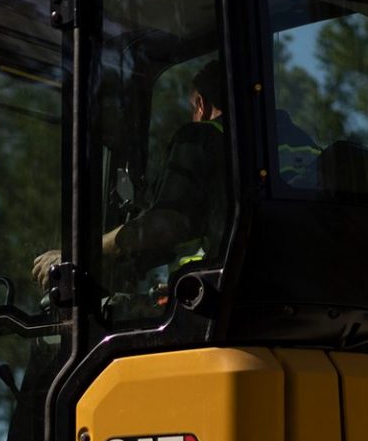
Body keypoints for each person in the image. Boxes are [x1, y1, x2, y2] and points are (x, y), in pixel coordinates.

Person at [32, 60, 231, 289]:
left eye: (191, 108)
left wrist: (82, 255)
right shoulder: (258, 147)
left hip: (213, 295)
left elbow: (168, 223)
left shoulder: (201, 136)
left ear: (201, 105)